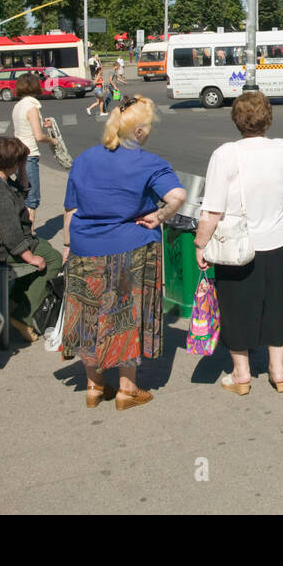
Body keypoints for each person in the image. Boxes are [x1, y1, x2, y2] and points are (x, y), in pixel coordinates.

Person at [62, 95, 186, 410]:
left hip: (84, 246)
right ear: (140, 131)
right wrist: (158, 217)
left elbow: (71, 210)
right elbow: (177, 196)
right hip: (131, 246)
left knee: (89, 313)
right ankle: (127, 390)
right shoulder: (149, 162)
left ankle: (94, 386)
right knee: (126, 315)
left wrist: (67, 245)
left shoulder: (84, 159)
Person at [194, 91, 283, 396]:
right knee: (275, 301)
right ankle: (278, 371)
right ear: (268, 118)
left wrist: (200, 243)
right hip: (277, 239)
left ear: (237, 120)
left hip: (238, 242)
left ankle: (241, 373)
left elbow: (212, 209)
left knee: (236, 304)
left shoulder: (225, 154)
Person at [0, 138, 63, 344]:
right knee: (52, 259)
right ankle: (22, 314)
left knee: (45, 248)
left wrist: (21, 169)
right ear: (14, 162)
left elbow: (21, 191)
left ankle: (15, 300)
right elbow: (9, 231)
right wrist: (29, 257)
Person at [10, 72, 57, 226]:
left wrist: (44, 124)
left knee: (22, 195)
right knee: (32, 199)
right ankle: (29, 237)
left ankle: (23, 233)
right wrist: (52, 140)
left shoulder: (18, 105)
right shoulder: (32, 107)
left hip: (16, 153)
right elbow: (38, 136)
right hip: (29, 154)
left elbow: (26, 126)